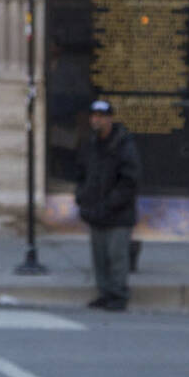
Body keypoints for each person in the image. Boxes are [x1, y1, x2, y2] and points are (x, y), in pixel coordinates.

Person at [76, 97, 141, 311]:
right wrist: (82, 200)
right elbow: (83, 174)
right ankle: (104, 293)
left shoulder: (123, 144)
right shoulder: (91, 144)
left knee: (116, 255)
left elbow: (129, 180)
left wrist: (110, 203)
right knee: (100, 256)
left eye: (101, 117)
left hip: (118, 212)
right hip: (96, 211)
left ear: (110, 119)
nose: (97, 121)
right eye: (94, 116)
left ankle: (118, 294)